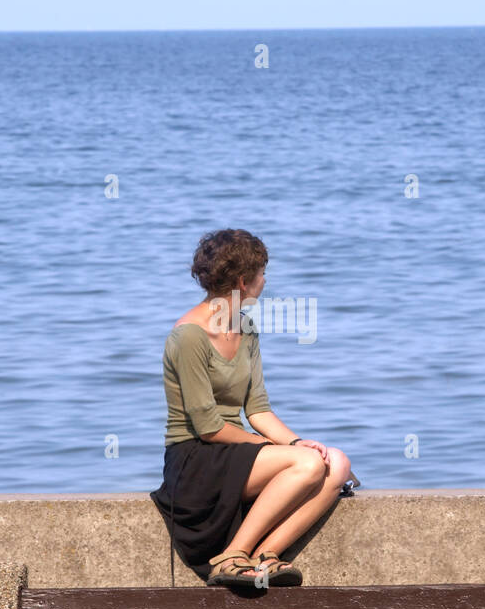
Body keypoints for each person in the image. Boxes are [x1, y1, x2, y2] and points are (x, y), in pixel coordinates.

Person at [150, 228, 351, 587]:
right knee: (306, 465)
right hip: (195, 460)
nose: (265, 281)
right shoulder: (189, 336)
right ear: (244, 282)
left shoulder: (245, 327)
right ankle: (231, 557)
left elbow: (257, 409)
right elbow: (209, 427)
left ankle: (264, 556)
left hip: (235, 451)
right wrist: (272, 448)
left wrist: (296, 443)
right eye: (261, 273)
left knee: (335, 463)